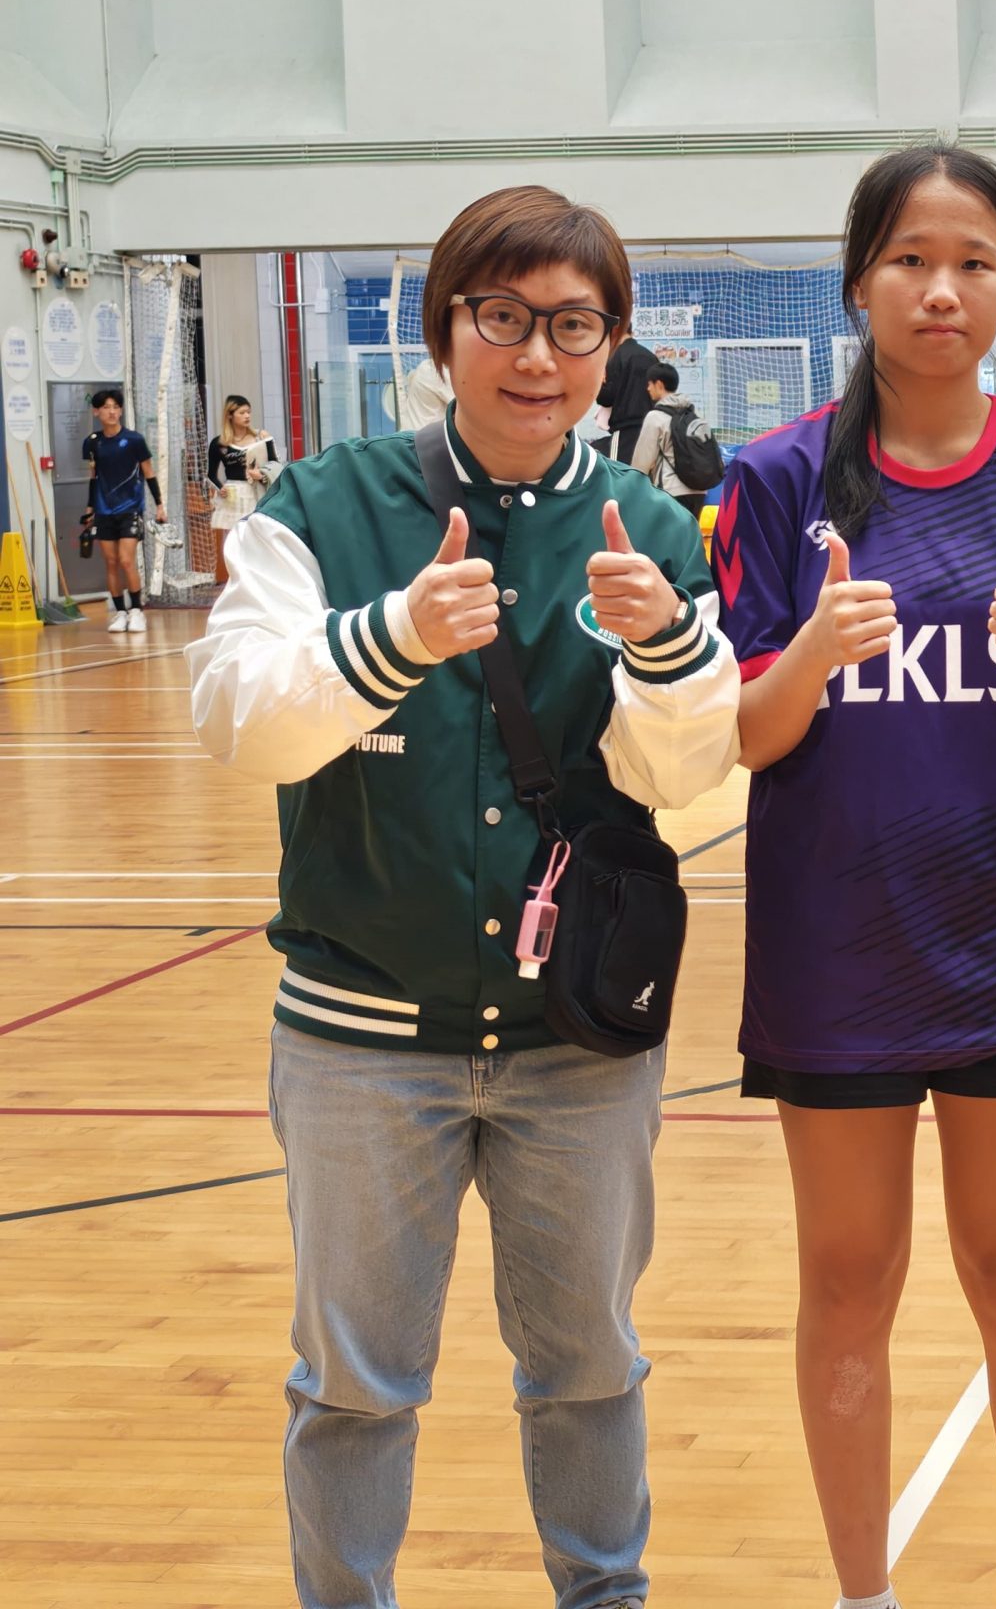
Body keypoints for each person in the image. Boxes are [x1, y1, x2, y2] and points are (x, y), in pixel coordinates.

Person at [188, 184, 741, 1609]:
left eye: (573, 326)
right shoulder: (325, 503)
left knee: (590, 1374)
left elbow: (680, 773)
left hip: (578, 1040)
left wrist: (674, 649)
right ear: (445, 330)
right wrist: (389, 638)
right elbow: (240, 719)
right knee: (357, 1387)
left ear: (612, 344)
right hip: (360, 1036)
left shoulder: (645, 525)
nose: (537, 357)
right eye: (504, 318)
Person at [712, 145, 996, 1609]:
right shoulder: (771, 481)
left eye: (973, 263)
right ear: (859, 280)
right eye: (909, 260)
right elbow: (748, 736)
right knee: (847, 1282)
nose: (941, 290)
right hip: (835, 951)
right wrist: (813, 654)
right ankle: (862, 1595)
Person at [82, 387, 160, 632]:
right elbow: (94, 477)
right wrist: (90, 507)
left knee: (127, 561)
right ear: (97, 412)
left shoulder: (134, 440)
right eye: (106, 407)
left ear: (121, 410)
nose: (112, 411)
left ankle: (137, 610)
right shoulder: (92, 443)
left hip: (131, 509)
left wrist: (160, 505)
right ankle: (120, 613)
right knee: (111, 562)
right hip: (104, 511)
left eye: (116, 407)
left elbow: (149, 472)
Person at [206, 393, 282, 586]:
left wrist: (262, 474)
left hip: (254, 490)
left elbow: (275, 463)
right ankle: (232, 579)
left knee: (254, 534)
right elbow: (211, 474)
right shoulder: (219, 443)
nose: (247, 416)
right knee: (231, 538)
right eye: (242, 412)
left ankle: (258, 578)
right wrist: (220, 488)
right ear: (230, 415)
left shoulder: (261, 437)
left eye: (249, 412)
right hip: (232, 493)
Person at [627, 361, 710, 516]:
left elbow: (642, 461)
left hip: (671, 490)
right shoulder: (694, 414)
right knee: (690, 538)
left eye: (649, 384)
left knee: (668, 539)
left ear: (659, 384)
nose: (648, 388)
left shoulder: (655, 417)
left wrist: (631, 488)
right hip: (699, 491)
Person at [599, 328, 658, 461]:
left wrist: (600, 384)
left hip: (624, 429)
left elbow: (606, 398)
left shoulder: (614, 357)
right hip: (650, 428)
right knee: (647, 477)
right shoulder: (651, 357)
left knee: (620, 475)